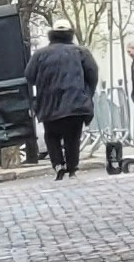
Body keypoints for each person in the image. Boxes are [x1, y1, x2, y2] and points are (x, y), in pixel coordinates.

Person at [28, 22, 97, 179]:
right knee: (72, 137)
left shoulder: (40, 54)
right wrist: (87, 95)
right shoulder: (81, 52)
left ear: (51, 34)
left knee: (51, 136)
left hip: (49, 103)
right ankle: (72, 168)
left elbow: (29, 75)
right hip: (76, 103)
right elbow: (93, 74)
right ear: (70, 34)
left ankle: (58, 165)